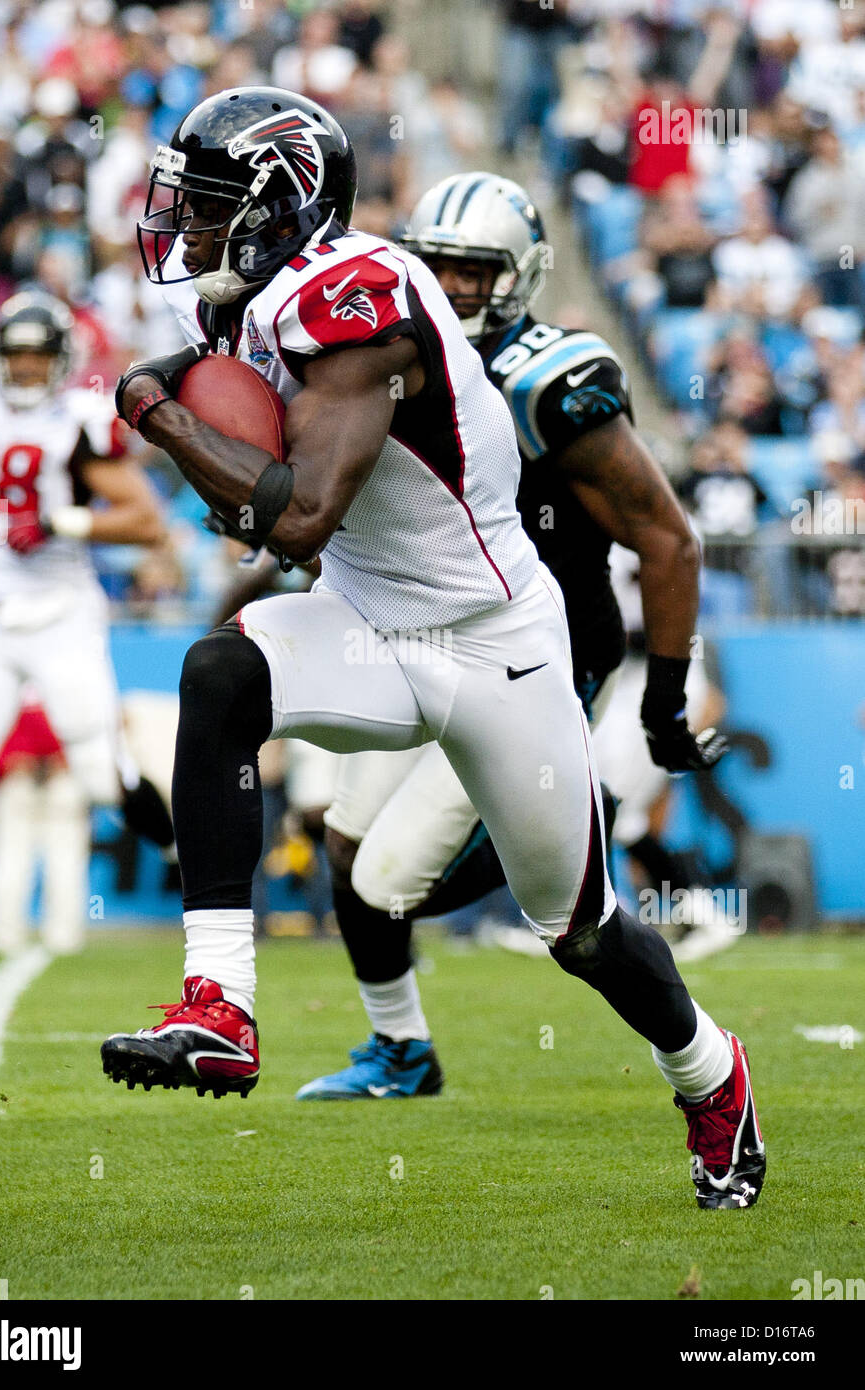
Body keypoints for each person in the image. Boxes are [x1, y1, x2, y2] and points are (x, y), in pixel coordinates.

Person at [102, 89, 764, 1210]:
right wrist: (174, 386)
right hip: (367, 626)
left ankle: (711, 1077)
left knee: (582, 930)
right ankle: (217, 1003)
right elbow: (237, 389)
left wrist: (161, 416)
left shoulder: (360, 302)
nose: (189, 226)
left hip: (491, 645)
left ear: (281, 206)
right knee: (218, 672)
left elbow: (297, 516)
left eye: (212, 204)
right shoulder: (259, 298)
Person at [294, 170, 730, 1091]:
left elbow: (667, 540)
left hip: (525, 658)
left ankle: (548, 832)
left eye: (472, 270)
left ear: (520, 275)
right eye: (437, 266)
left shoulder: (546, 379)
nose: (451, 288)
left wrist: (661, 703)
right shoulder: (381, 356)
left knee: (394, 885)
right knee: (342, 840)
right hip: (409, 637)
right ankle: (401, 1051)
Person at [0, 292, 171, 971]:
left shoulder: (79, 424)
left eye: (40, 356)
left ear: (61, 361)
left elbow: (145, 521)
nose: (28, 369)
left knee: (100, 776)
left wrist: (62, 523)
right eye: (17, 355)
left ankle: (187, 857)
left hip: (62, 613)